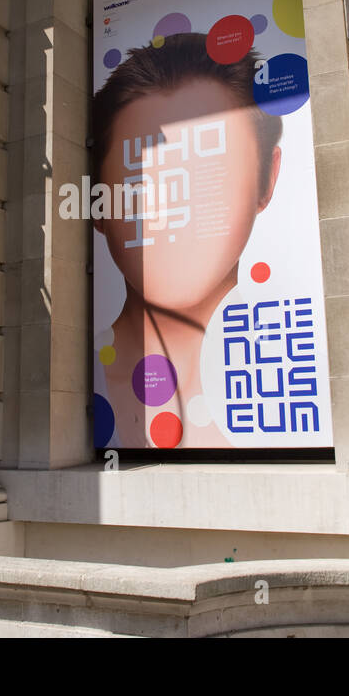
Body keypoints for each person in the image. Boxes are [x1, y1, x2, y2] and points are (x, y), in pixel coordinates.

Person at [92, 32, 282, 448]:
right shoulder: (74, 390)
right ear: (97, 203)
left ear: (267, 178)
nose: (172, 209)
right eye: (142, 181)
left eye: (208, 175)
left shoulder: (302, 381)